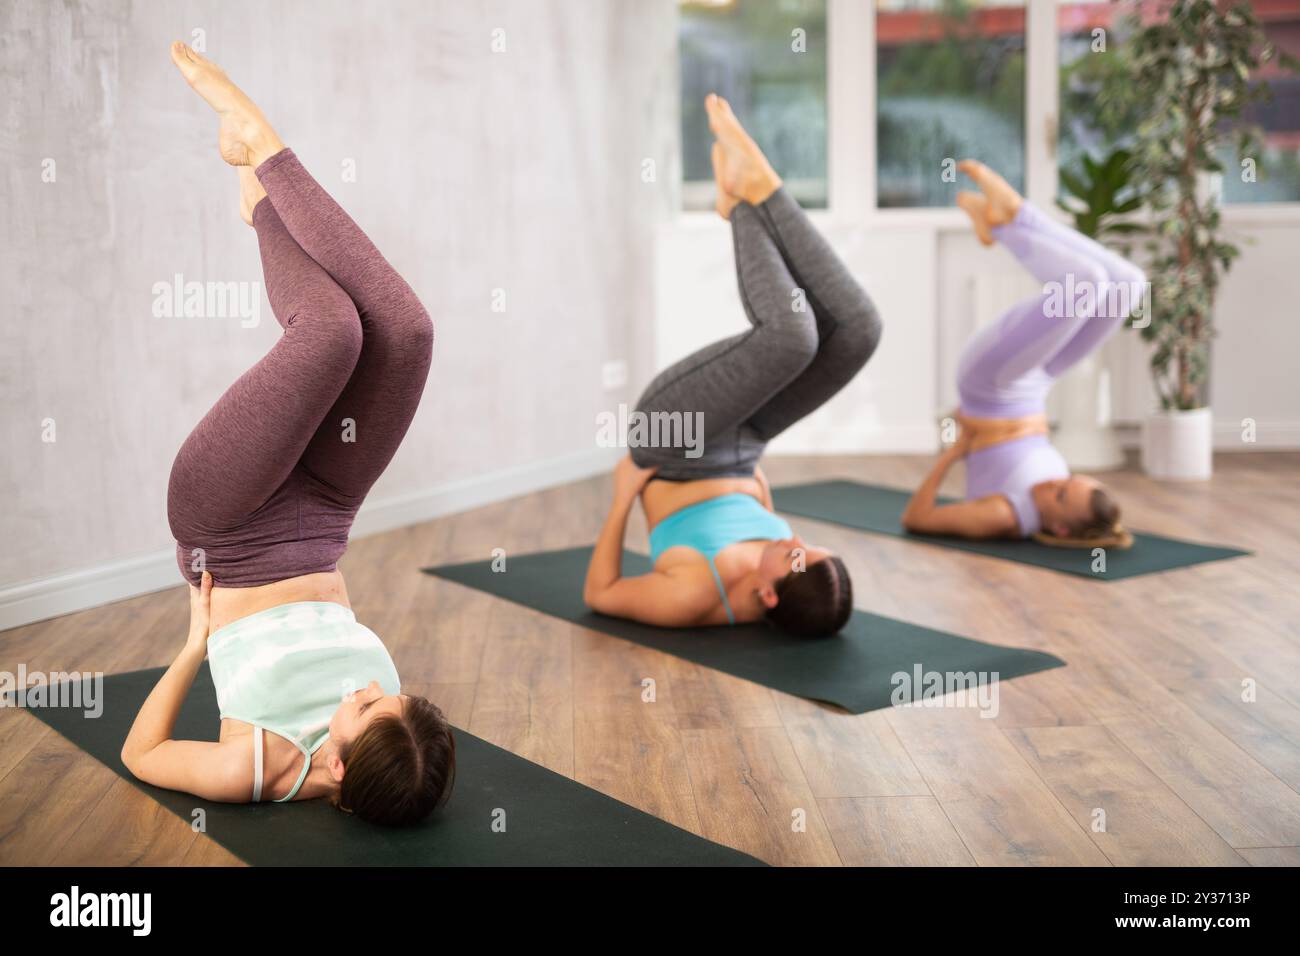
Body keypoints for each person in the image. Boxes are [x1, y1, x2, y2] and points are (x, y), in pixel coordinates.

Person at [121, 43, 454, 826]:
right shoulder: (395, 745)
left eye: (367, 705)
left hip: (225, 529)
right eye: (389, 696)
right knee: (406, 335)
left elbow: (143, 755)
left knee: (331, 333)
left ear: (334, 765)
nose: (373, 690)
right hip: (325, 513)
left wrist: (196, 643)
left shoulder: (258, 766)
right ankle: (262, 194)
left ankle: (263, 156)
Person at [584, 95, 882, 637]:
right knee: (859, 333)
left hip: (672, 443)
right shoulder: (787, 566)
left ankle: (755, 195)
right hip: (744, 447)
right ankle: (745, 198)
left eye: (796, 555)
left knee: (792, 338)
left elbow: (600, 595)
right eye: (808, 545)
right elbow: (761, 526)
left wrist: (623, 496)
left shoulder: (694, 597)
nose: (794, 540)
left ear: (766, 595)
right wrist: (756, 486)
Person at [901, 160, 1142, 548]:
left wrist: (955, 452)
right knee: (1129, 284)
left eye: (1060, 495)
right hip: (1035, 385)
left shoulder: (1006, 515)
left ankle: (1010, 219)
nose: (1054, 482)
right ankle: (1001, 220)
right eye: (1067, 479)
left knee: (1084, 285)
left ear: (1059, 527)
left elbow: (916, 518)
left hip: (991, 385)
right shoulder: (1051, 493)